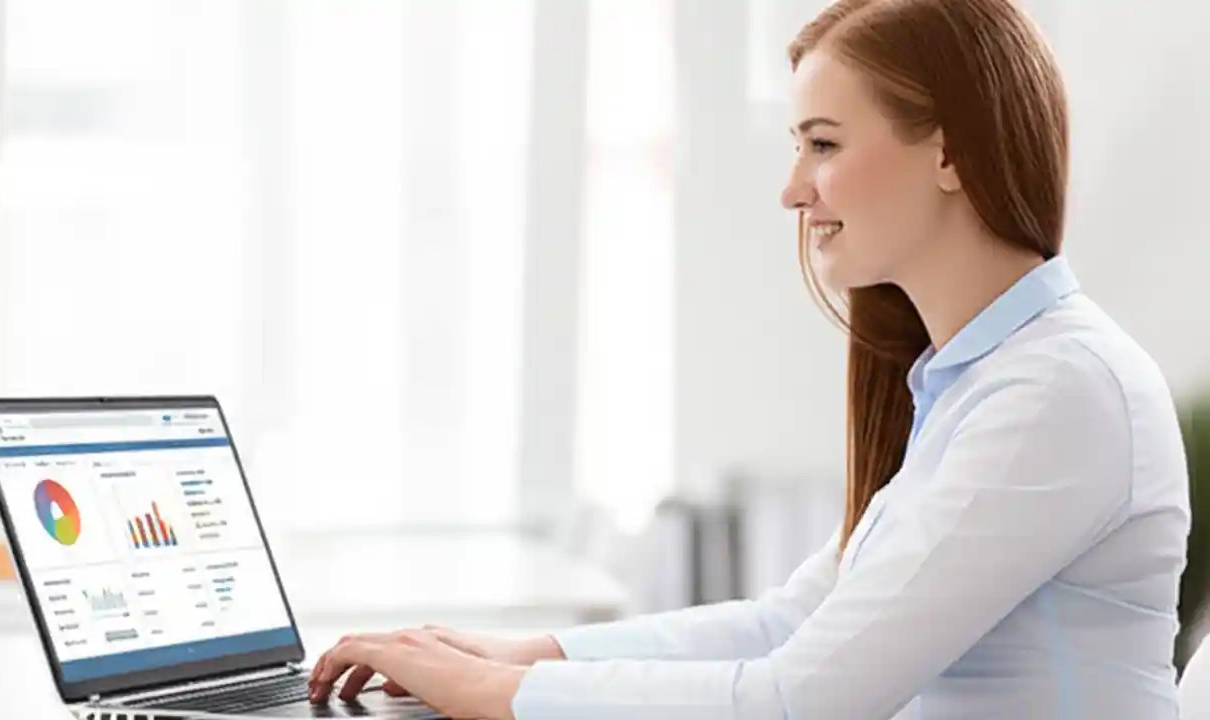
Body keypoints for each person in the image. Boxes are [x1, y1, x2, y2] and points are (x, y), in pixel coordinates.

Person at [307, 0, 1191, 717]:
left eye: (824, 143)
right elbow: (793, 624)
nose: (793, 187)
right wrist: (526, 654)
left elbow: (804, 699)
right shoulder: (979, 384)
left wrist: (502, 694)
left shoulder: (1060, 390)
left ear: (949, 151)